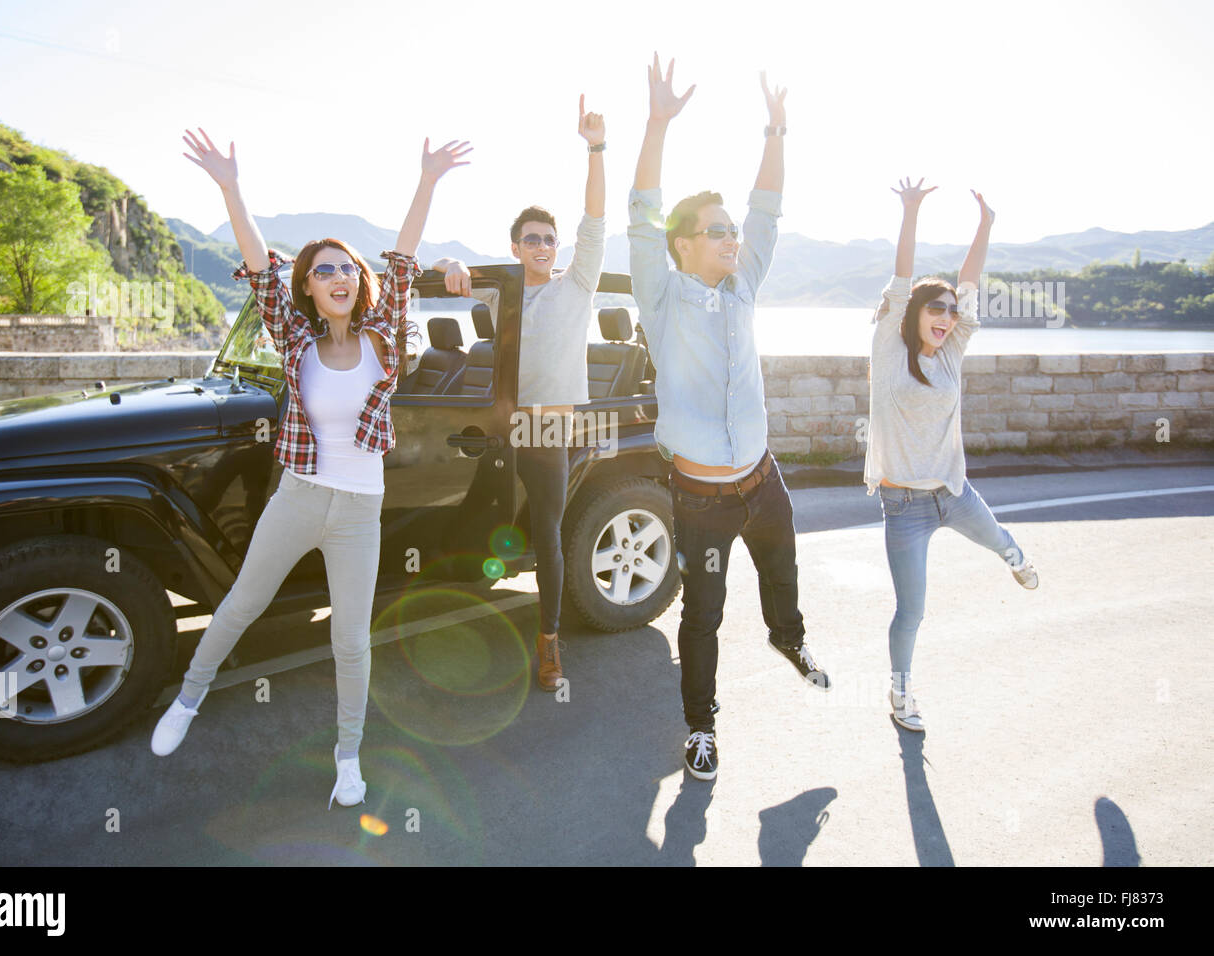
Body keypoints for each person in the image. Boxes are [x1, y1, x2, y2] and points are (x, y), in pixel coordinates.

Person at [151, 128, 470, 810]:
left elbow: (405, 258)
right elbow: (261, 269)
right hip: (298, 496)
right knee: (243, 603)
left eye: (346, 268)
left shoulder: (385, 337)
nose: (338, 277)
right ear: (308, 288)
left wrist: (428, 180)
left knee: (350, 640)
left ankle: (347, 755)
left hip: (359, 510)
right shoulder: (295, 338)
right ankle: (188, 698)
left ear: (361, 284)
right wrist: (231, 188)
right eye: (323, 270)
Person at [627, 55, 828, 783]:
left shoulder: (744, 286)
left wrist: (775, 127)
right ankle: (701, 730)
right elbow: (640, 210)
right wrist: (655, 124)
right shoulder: (662, 295)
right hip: (703, 501)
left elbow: (768, 206)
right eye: (715, 230)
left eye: (729, 229)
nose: (730, 237)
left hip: (763, 482)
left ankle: (789, 639)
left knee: (783, 572)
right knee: (702, 617)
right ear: (683, 243)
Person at [431, 95, 606, 692]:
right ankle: (450, 626)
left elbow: (596, 220)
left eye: (548, 238)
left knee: (548, 536)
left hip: (548, 428)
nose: (541, 245)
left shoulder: (576, 286)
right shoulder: (502, 291)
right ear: (514, 246)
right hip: (497, 427)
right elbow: (448, 278)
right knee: (471, 519)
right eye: (531, 238)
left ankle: (550, 643)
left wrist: (595, 149)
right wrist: (452, 261)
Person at [866, 178, 1038, 733]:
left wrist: (986, 224)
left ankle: (1013, 556)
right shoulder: (890, 352)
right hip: (904, 506)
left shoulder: (952, 350)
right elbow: (900, 279)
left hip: (954, 492)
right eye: (935, 308)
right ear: (914, 312)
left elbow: (970, 282)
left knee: (1000, 542)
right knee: (911, 611)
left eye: (950, 310)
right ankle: (901, 694)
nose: (946, 315)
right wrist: (911, 211)